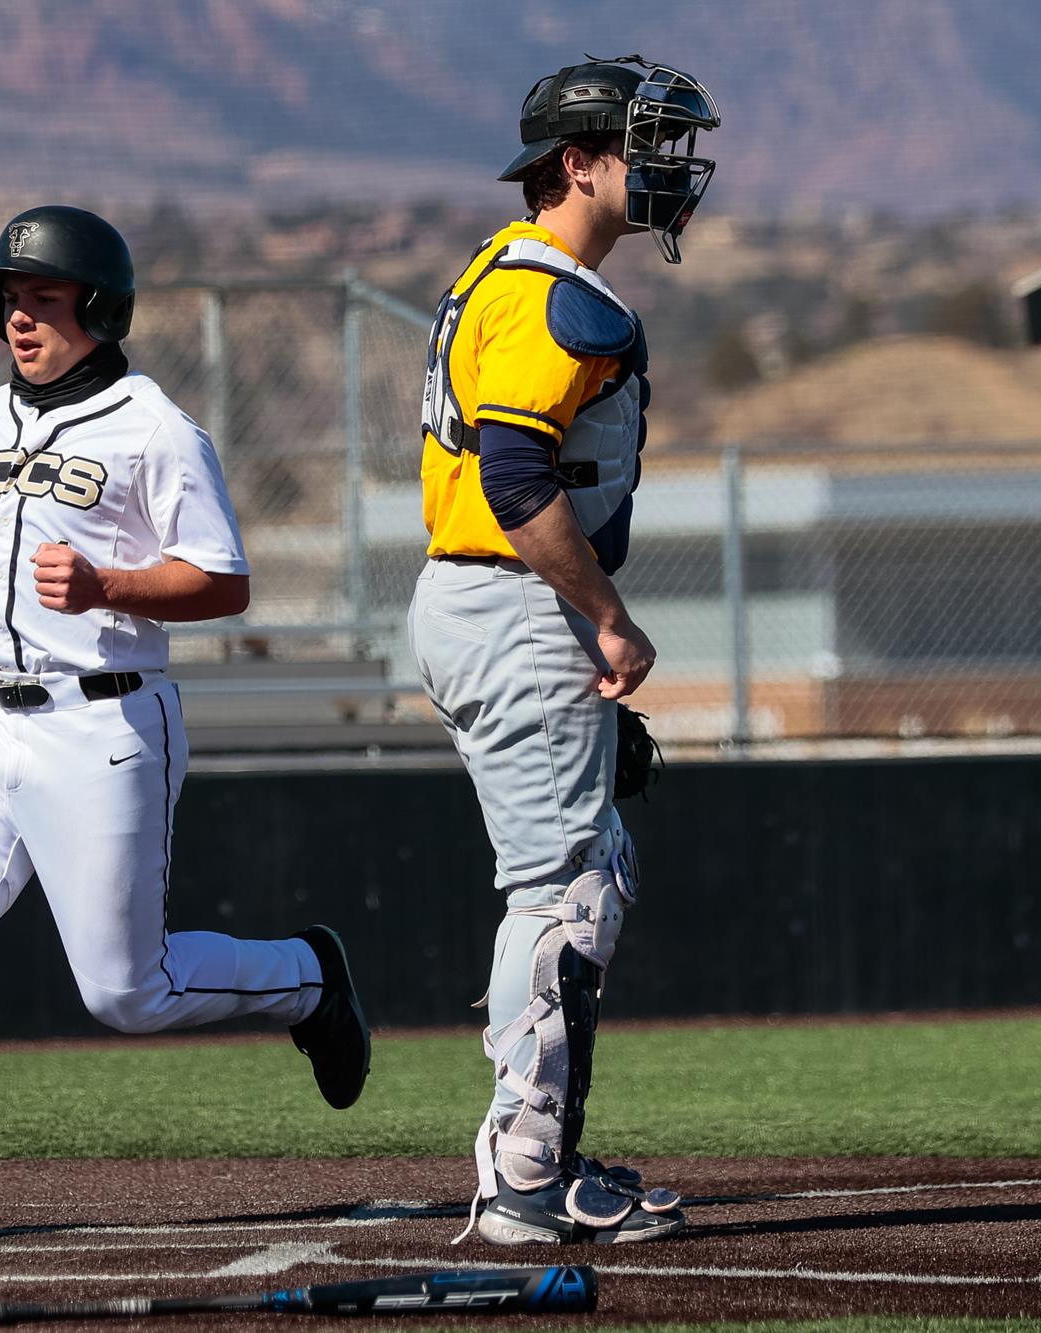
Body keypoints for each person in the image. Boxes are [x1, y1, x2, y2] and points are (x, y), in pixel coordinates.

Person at [0, 205, 371, 1238]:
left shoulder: (154, 429)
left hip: (101, 724)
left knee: (127, 990)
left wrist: (109, 585)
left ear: (98, 305)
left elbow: (223, 584)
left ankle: (308, 977)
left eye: (41, 298)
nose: (18, 319)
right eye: (7, 300)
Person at [409, 56, 719, 1246]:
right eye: (643, 146)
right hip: (513, 602)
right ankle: (526, 1171)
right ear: (574, 164)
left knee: (581, 868)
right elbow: (514, 470)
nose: (666, 171)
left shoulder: (494, 268)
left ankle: (532, 1151)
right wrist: (604, 614)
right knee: (564, 892)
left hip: (473, 600)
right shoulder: (560, 298)